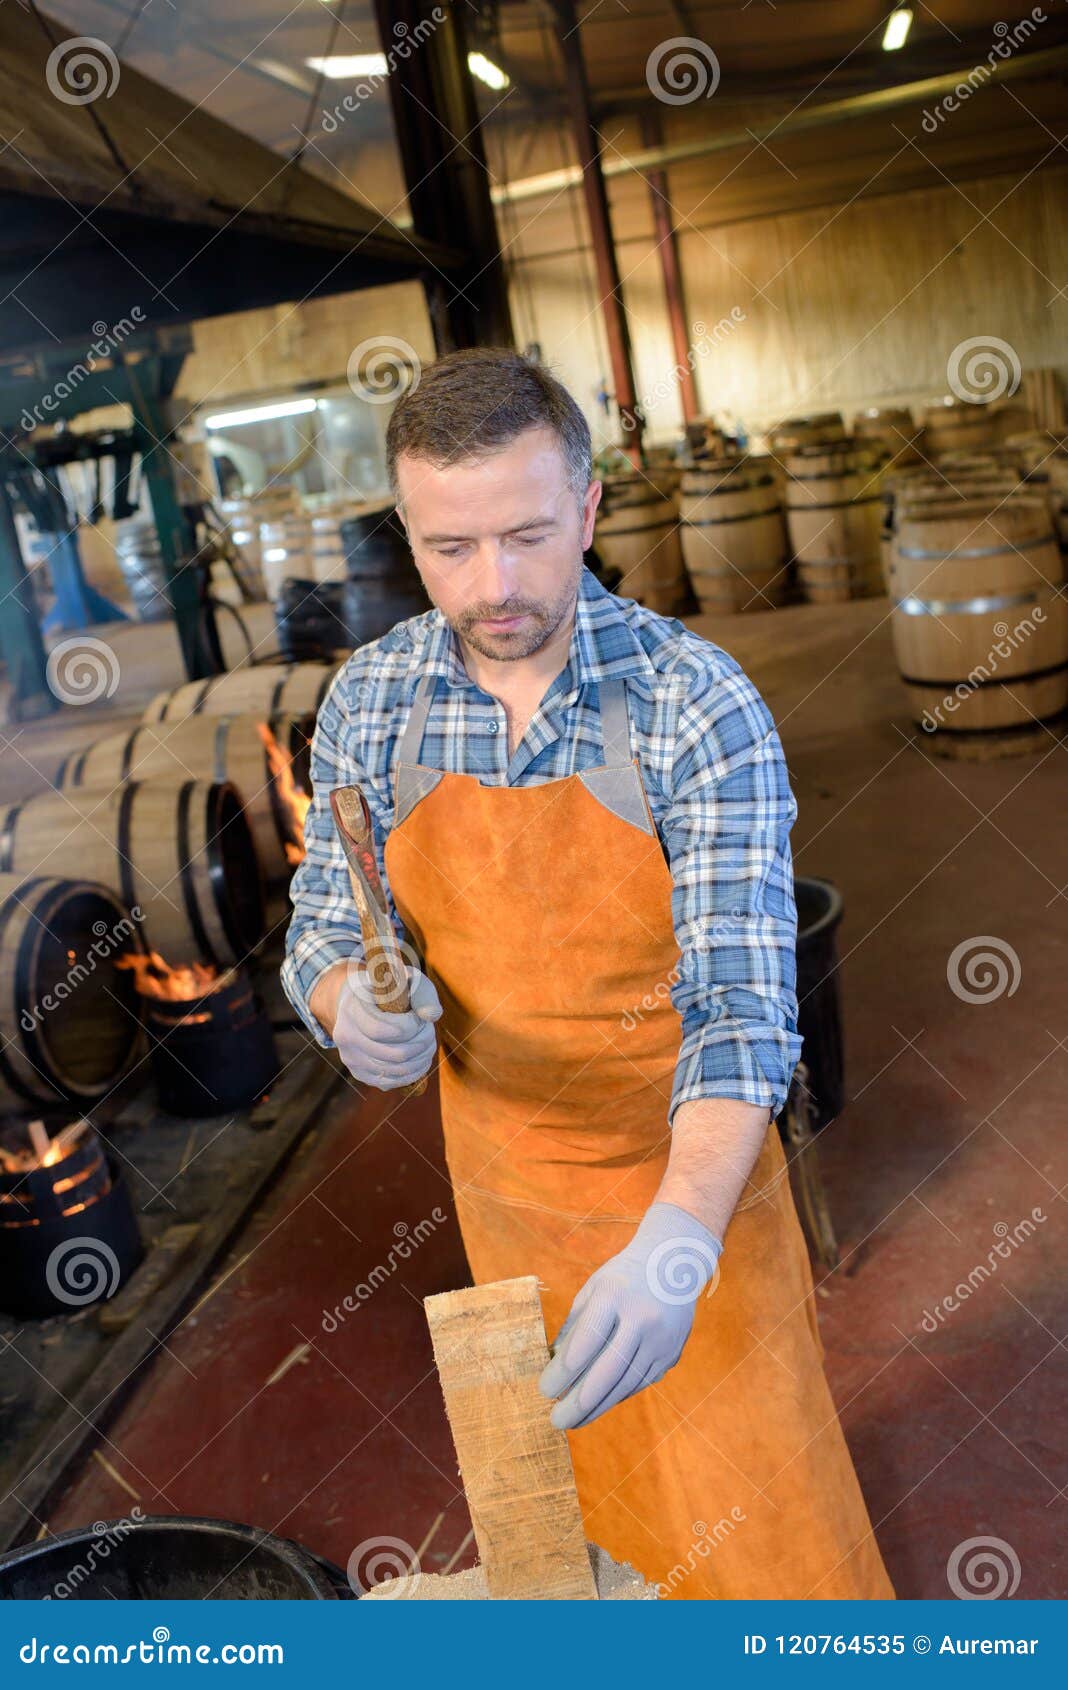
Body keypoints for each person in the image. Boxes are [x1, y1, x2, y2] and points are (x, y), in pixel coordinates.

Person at [282, 347, 894, 1600]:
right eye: (451, 548)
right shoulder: (371, 703)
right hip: (505, 1197)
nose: (495, 586)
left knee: (765, 1532)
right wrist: (348, 1009)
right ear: (407, 533)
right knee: (571, 1540)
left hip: (691, 1192)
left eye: (527, 535)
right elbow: (322, 930)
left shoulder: (694, 704)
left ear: (591, 508)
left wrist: (679, 1242)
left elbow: (742, 1006)